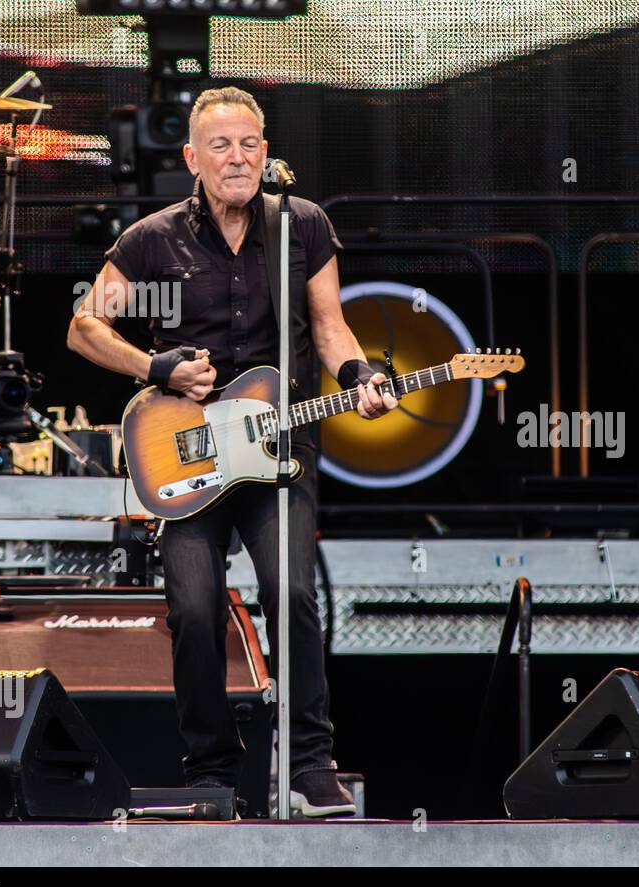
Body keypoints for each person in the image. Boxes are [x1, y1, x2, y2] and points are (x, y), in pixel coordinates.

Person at [67, 86, 396, 817]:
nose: (238, 157)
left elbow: (331, 326)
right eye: (220, 145)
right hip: (188, 456)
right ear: (192, 157)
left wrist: (363, 375)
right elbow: (84, 327)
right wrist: (157, 370)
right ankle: (211, 773)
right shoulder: (154, 238)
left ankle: (310, 765)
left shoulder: (301, 225)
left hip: (281, 449)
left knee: (293, 592)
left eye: (250, 143)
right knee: (192, 607)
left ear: (267, 152)